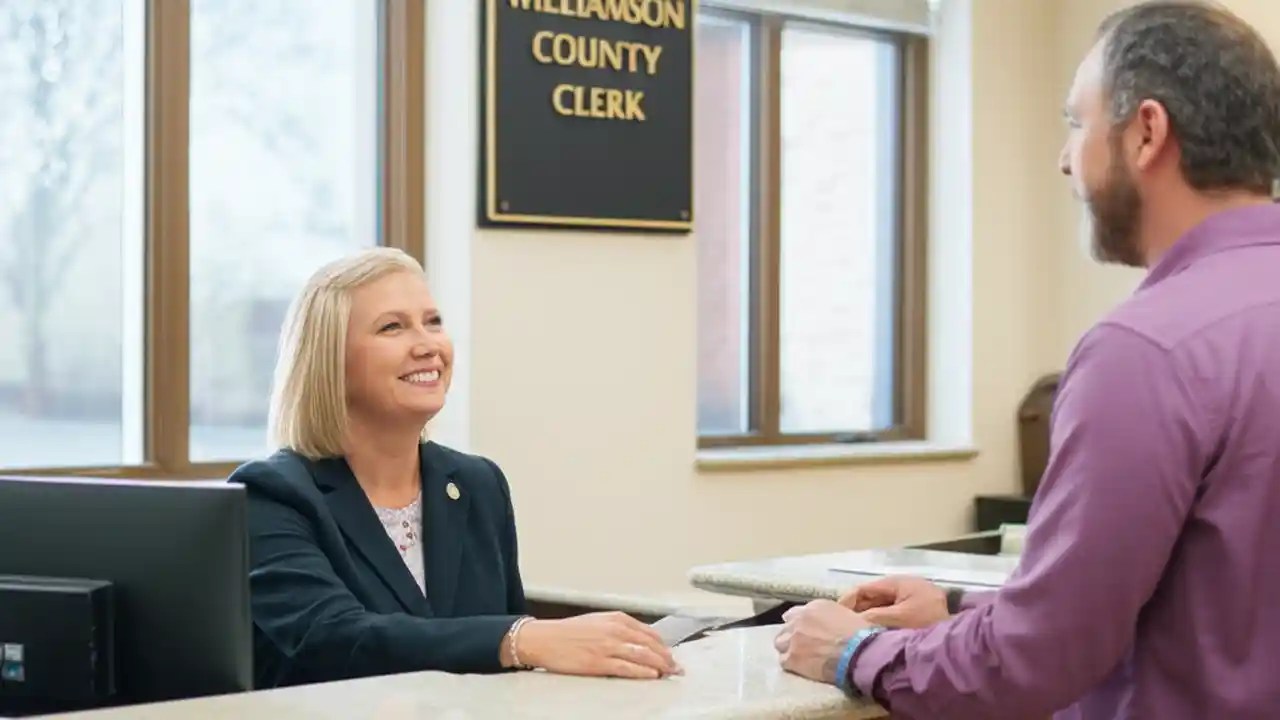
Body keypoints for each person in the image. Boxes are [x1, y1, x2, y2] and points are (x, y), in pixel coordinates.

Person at [774, 2, 1280, 718]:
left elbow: (1034, 662)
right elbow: (1215, 606)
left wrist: (853, 652)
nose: (1066, 157)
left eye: (1077, 122)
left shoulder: (1146, 352)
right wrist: (963, 606)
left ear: (1146, 132)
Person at [230, 247, 679, 688]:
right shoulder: (270, 495)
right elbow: (332, 639)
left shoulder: (479, 483)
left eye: (433, 322)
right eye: (392, 327)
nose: (427, 346)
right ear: (331, 362)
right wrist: (522, 638)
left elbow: (506, 670)